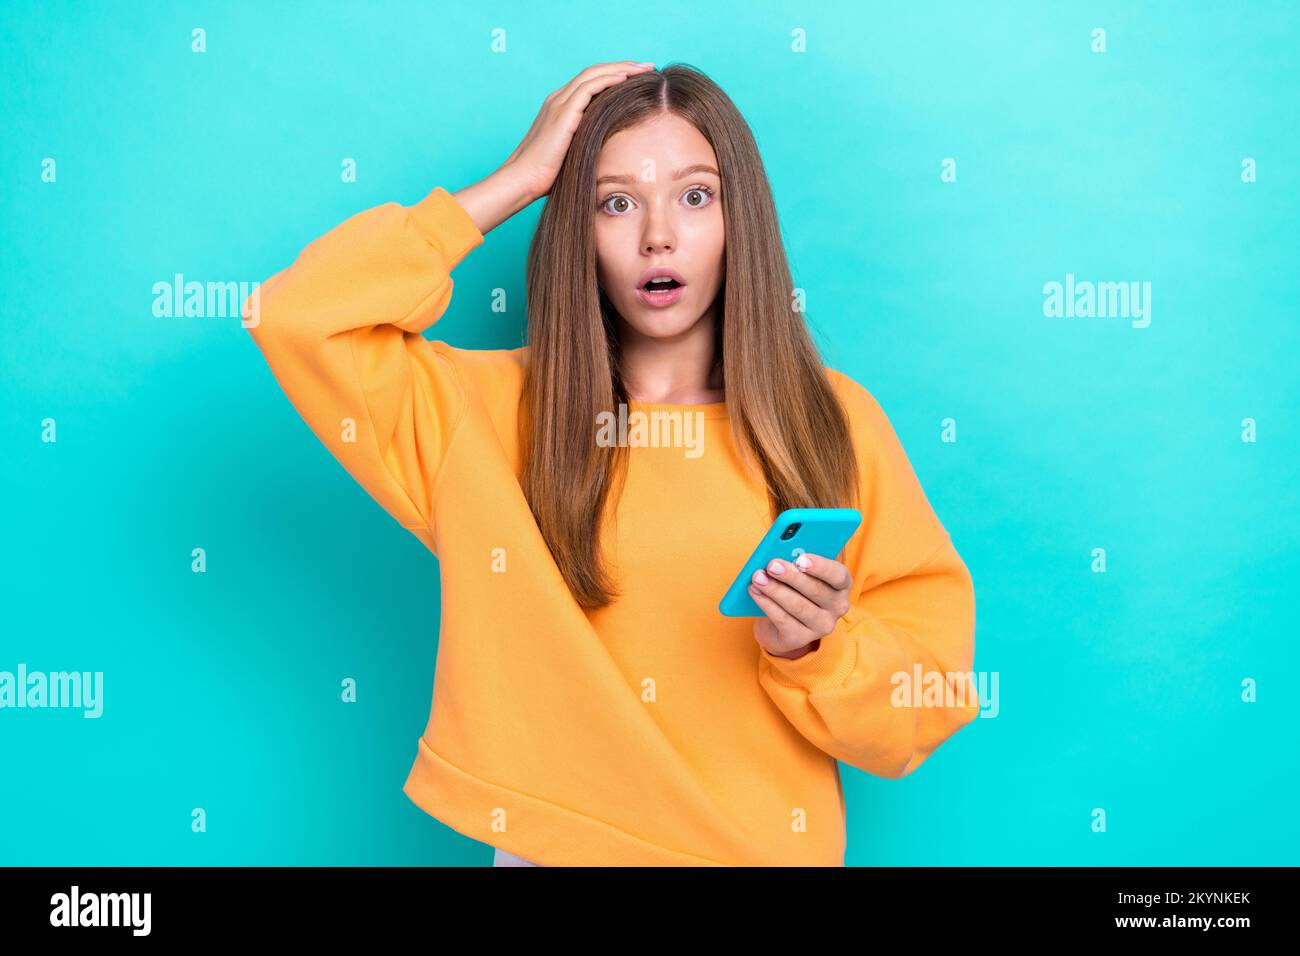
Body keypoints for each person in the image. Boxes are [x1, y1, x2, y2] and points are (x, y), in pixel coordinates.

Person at [244, 60, 979, 867]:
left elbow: (927, 702)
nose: (657, 234)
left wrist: (815, 650)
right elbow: (295, 315)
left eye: (695, 196)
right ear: (576, 228)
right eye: (615, 201)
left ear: (743, 220)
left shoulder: (832, 423)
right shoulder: (482, 415)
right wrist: (516, 182)